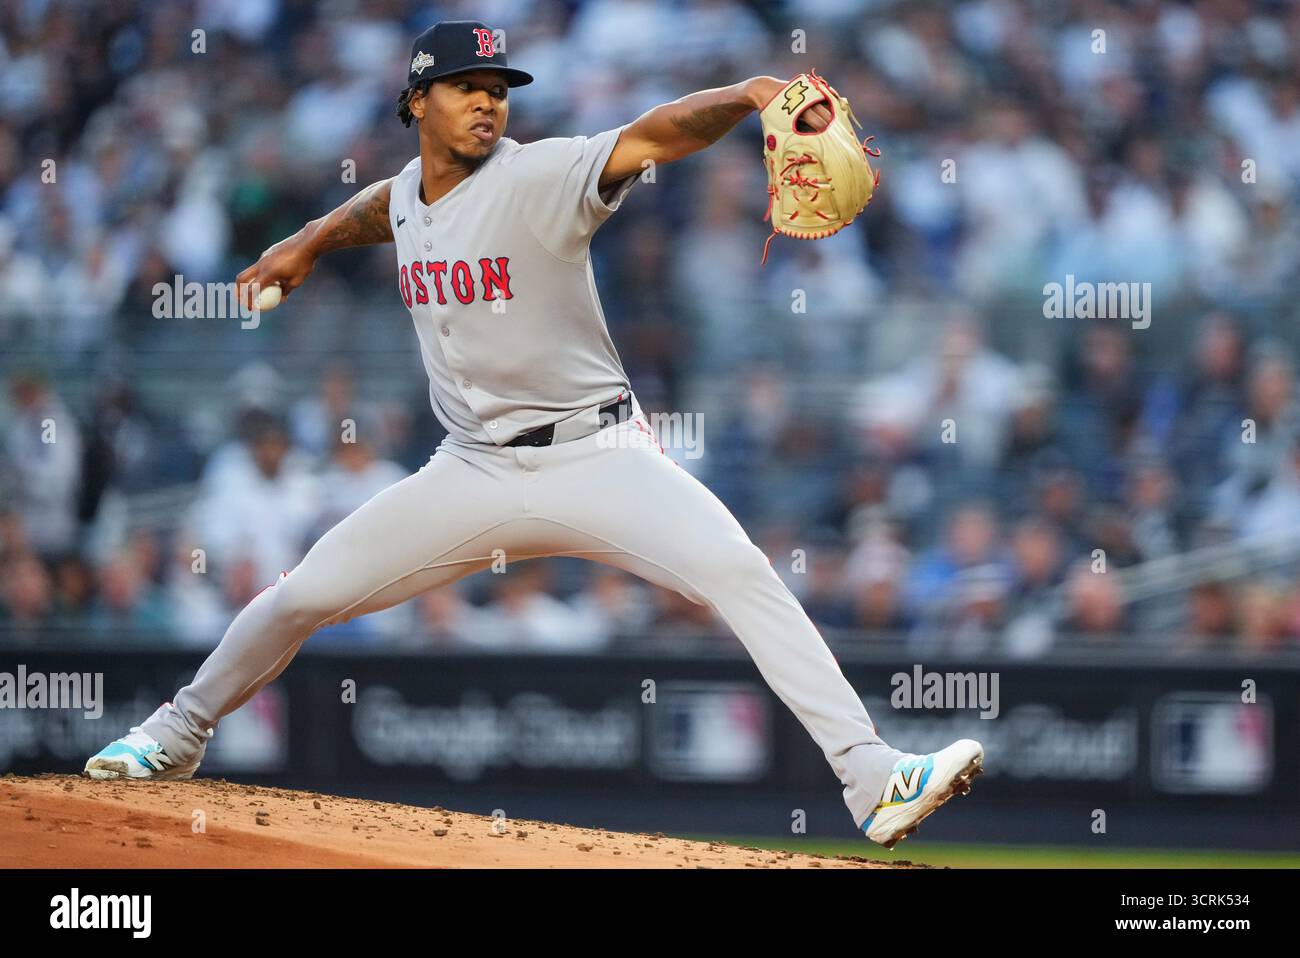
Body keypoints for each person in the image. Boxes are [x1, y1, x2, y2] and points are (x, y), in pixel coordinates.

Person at [84, 20, 982, 848]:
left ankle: (873, 778)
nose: (487, 101)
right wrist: (308, 242)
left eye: (498, 88)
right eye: (466, 85)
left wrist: (750, 92)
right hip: (468, 471)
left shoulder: (543, 174)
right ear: (415, 104)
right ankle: (175, 733)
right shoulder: (403, 196)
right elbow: (384, 211)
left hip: (598, 457)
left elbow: (659, 132)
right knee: (301, 595)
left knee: (739, 570)